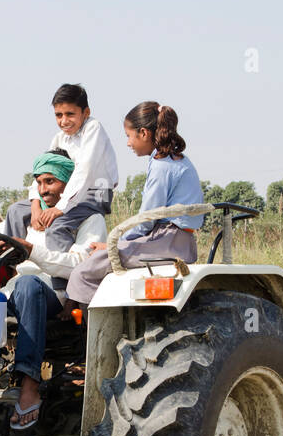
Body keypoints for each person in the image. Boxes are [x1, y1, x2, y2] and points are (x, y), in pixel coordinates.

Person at [0, 150, 106, 430]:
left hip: (55, 294)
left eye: (50, 182)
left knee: (29, 285)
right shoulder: (27, 213)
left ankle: (28, 385)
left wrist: (31, 250)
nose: (43, 190)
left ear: (69, 182)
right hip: (15, 292)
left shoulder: (88, 219)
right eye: (39, 182)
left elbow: (80, 266)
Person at [66, 101, 203, 307]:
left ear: (144, 133)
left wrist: (113, 243)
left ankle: (93, 333)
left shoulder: (161, 166)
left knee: (84, 272)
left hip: (165, 241)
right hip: (177, 241)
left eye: (129, 136)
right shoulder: (177, 159)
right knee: (100, 260)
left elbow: (146, 221)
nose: (128, 143)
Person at [3, 83, 120, 251]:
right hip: (65, 195)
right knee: (15, 211)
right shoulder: (60, 138)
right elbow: (44, 170)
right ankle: (10, 267)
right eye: (59, 115)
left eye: (70, 114)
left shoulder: (93, 128)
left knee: (57, 224)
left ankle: (61, 275)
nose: (64, 121)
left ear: (86, 112)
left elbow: (84, 169)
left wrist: (59, 208)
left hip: (95, 194)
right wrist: (36, 205)